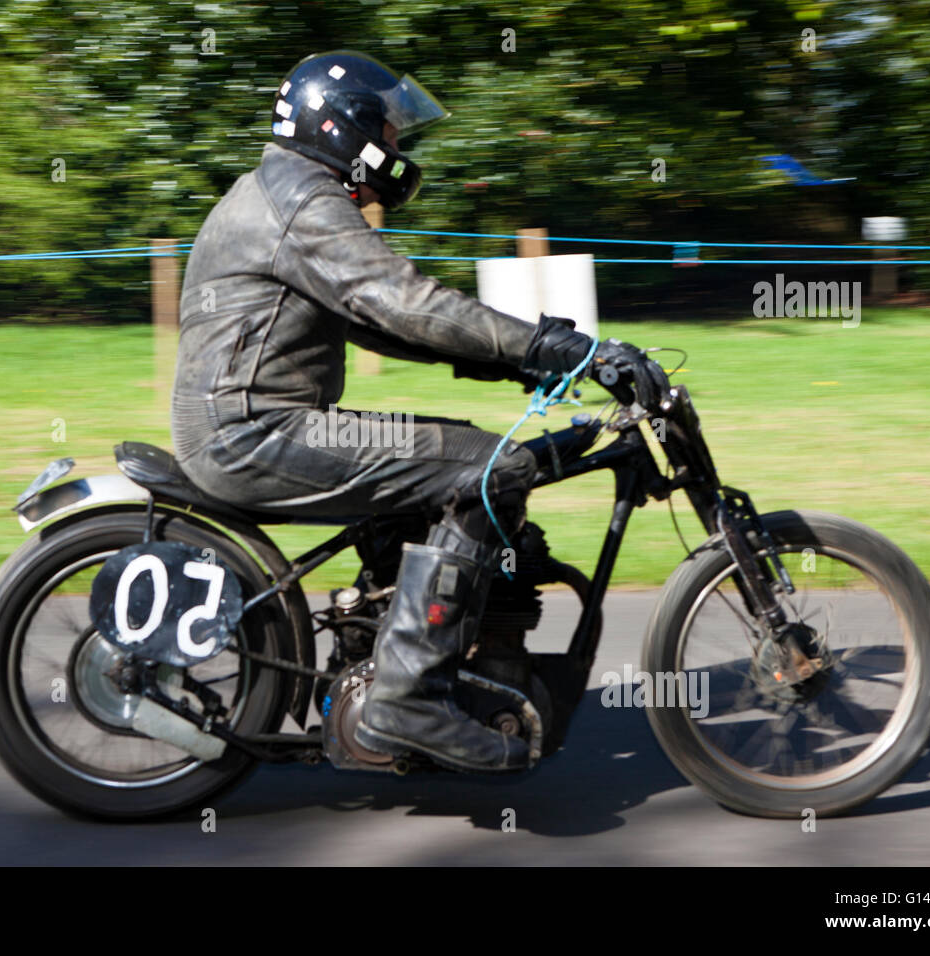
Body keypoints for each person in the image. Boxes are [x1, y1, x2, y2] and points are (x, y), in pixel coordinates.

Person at [172, 51, 658, 772]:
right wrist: (559, 348)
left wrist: (509, 360)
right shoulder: (303, 201)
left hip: (249, 424)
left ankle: (409, 651)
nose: (397, 150)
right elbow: (405, 301)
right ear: (343, 130)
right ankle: (407, 695)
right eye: (390, 134)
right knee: (494, 466)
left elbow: (378, 322)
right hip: (254, 434)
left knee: (444, 461)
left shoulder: (285, 188)